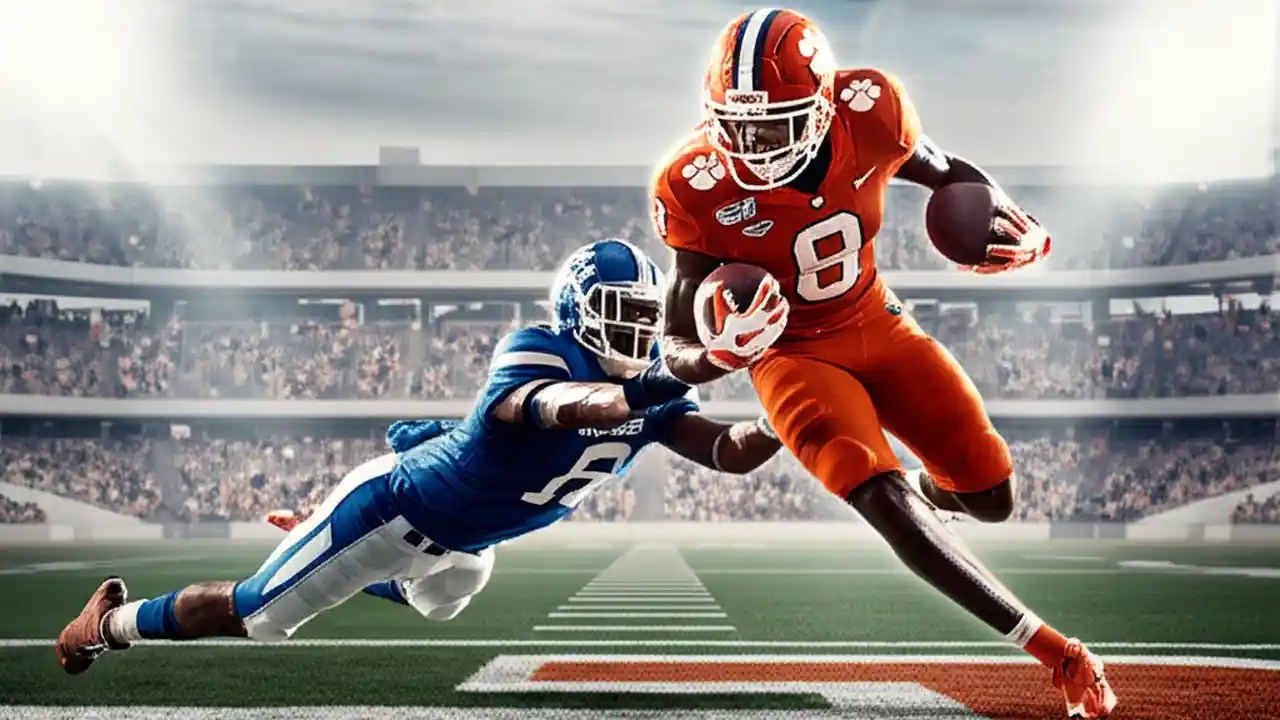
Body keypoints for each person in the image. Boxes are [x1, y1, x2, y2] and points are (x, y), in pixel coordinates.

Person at [650, 9, 1115, 718]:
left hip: (876, 319)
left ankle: (926, 497)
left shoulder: (872, 110)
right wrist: (717, 354)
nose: (751, 147)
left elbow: (948, 173)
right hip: (790, 353)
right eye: (736, 127)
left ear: (821, 108)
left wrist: (1007, 217)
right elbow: (675, 346)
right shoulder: (693, 182)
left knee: (991, 494)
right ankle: (1057, 653)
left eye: (772, 127)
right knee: (870, 483)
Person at [55, 238, 782, 672]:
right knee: (261, 615)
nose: (636, 334)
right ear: (576, 314)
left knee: (445, 599)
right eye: (619, 316)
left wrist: (790, 418)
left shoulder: (651, 388)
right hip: (391, 510)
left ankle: (330, 550)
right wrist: (676, 374)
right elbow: (571, 407)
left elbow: (728, 452)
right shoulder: (539, 351)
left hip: (467, 544)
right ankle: (110, 623)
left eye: (646, 319)